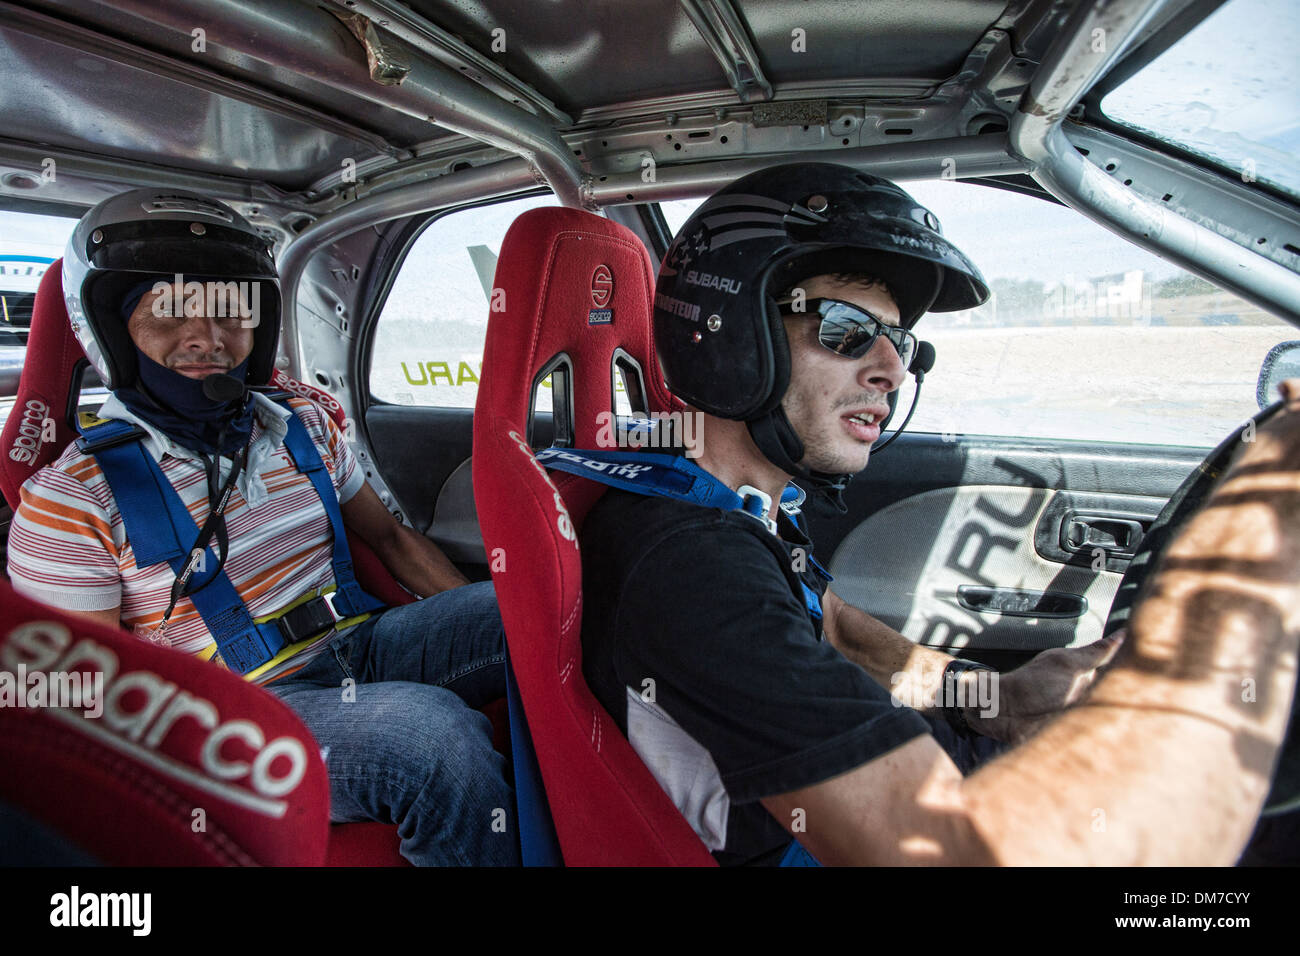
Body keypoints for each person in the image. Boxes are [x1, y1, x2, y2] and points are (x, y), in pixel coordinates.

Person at [577, 163, 1299, 865]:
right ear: (731, 331)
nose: (892, 369)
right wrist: (1225, 641)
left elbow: (834, 630)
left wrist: (998, 696)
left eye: (902, 343)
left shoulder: (729, 498)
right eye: (844, 328)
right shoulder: (696, 566)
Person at [6, 188, 517, 866]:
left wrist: (468, 609)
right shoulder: (70, 500)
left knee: (527, 615)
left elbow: (392, 542)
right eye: (170, 310)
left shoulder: (304, 422)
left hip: (359, 641)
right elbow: (102, 708)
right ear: (110, 328)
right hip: (239, 709)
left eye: (230, 312)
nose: (207, 338)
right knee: (431, 739)